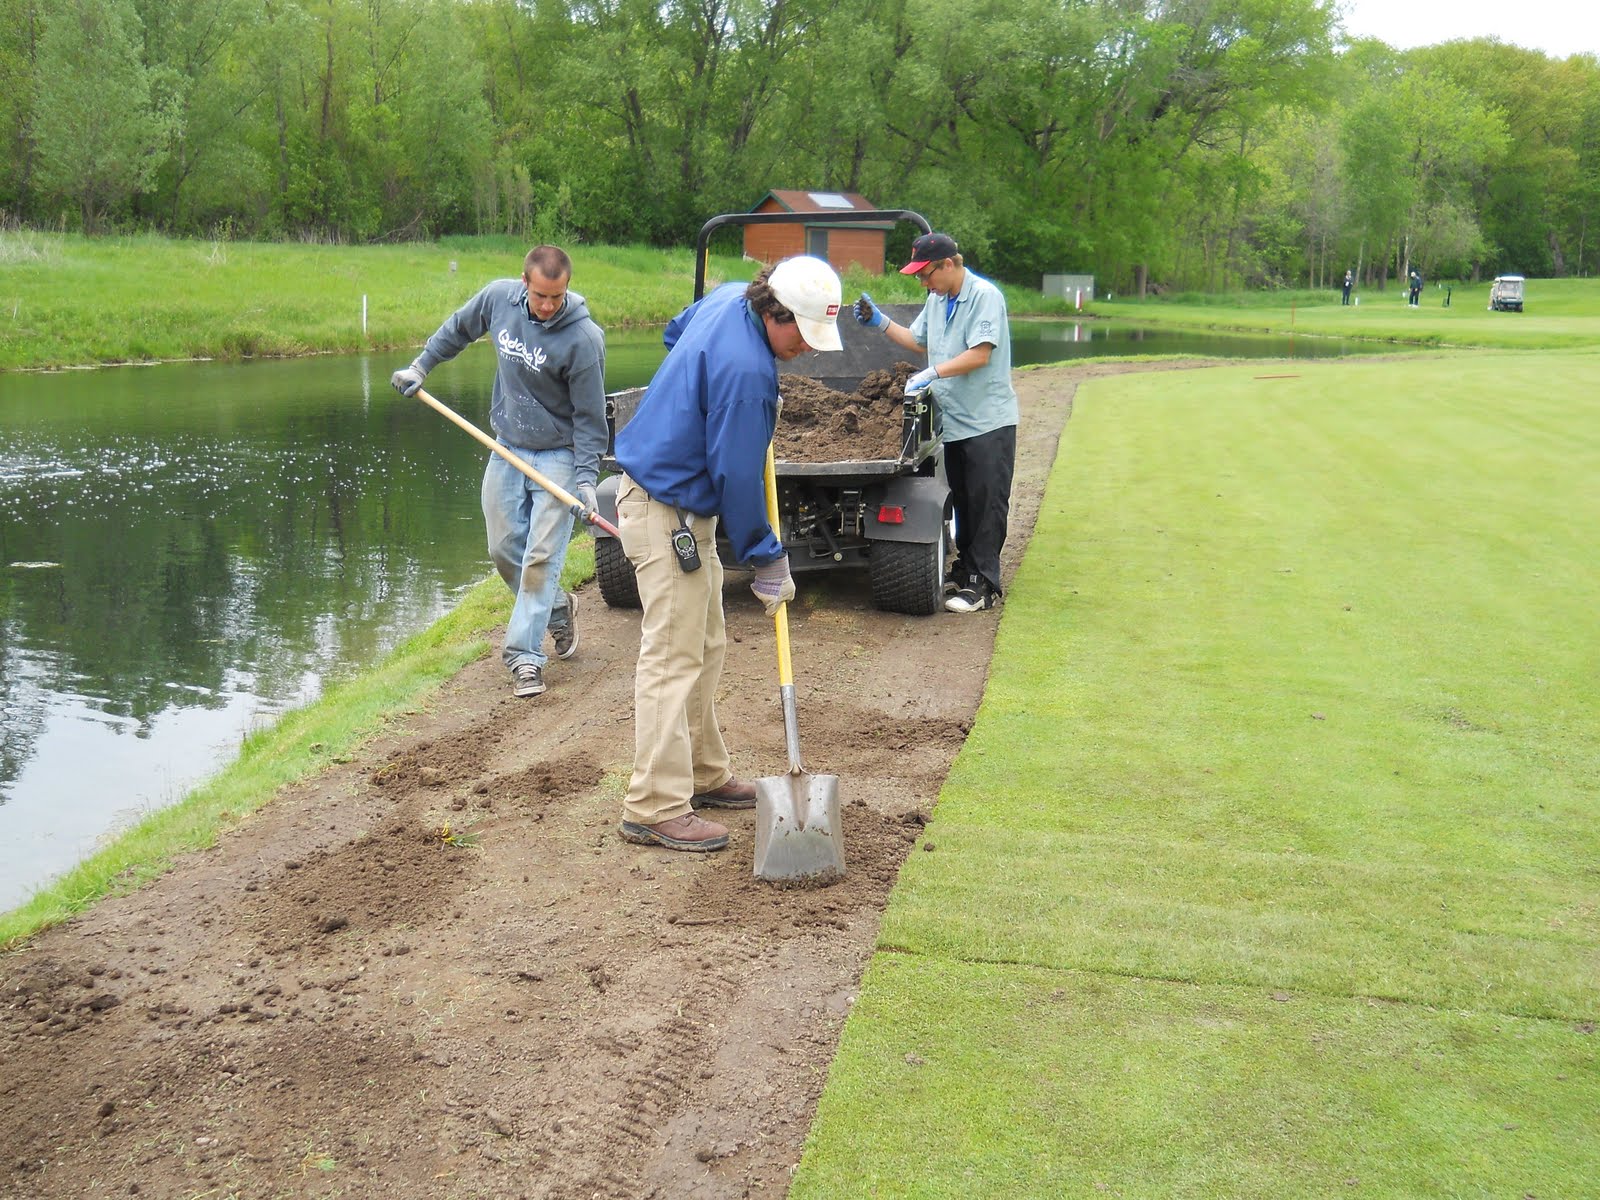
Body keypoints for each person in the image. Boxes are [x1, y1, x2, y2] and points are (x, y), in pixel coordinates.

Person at [610, 256, 844, 852]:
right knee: (672, 658)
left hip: (681, 508)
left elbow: (675, 332)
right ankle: (654, 804)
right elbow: (737, 478)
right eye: (804, 335)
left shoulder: (729, 298)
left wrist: (696, 396)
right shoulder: (748, 375)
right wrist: (766, 555)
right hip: (667, 514)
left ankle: (702, 773)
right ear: (777, 313)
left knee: (706, 644)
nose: (808, 349)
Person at [391, 245, 606, 699]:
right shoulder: (497, 299)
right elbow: (458, 329)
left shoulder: (583, 339)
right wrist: (420, 367)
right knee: (503, 548)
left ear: (567, 289)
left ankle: (525, 659)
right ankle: (558, 609)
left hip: (559, 455)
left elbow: (590, 420)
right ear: (524, 283)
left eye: (557, 297)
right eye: (541, 296)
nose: (548, 306)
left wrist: (587, 480)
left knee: (541, 558)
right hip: (506, 444)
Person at [854, 231, 1018, 614]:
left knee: (986, 503)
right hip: (955, 421)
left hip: (988, 421)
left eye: (925, 274)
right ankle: (965, 570)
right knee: (963, 501)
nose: (923, 283)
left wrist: (933, 372)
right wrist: (880, 322)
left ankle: (983, 585)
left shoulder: (985, 296)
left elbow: (980, 354)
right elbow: (918, 339)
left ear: (948, 264)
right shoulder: (938, 299)